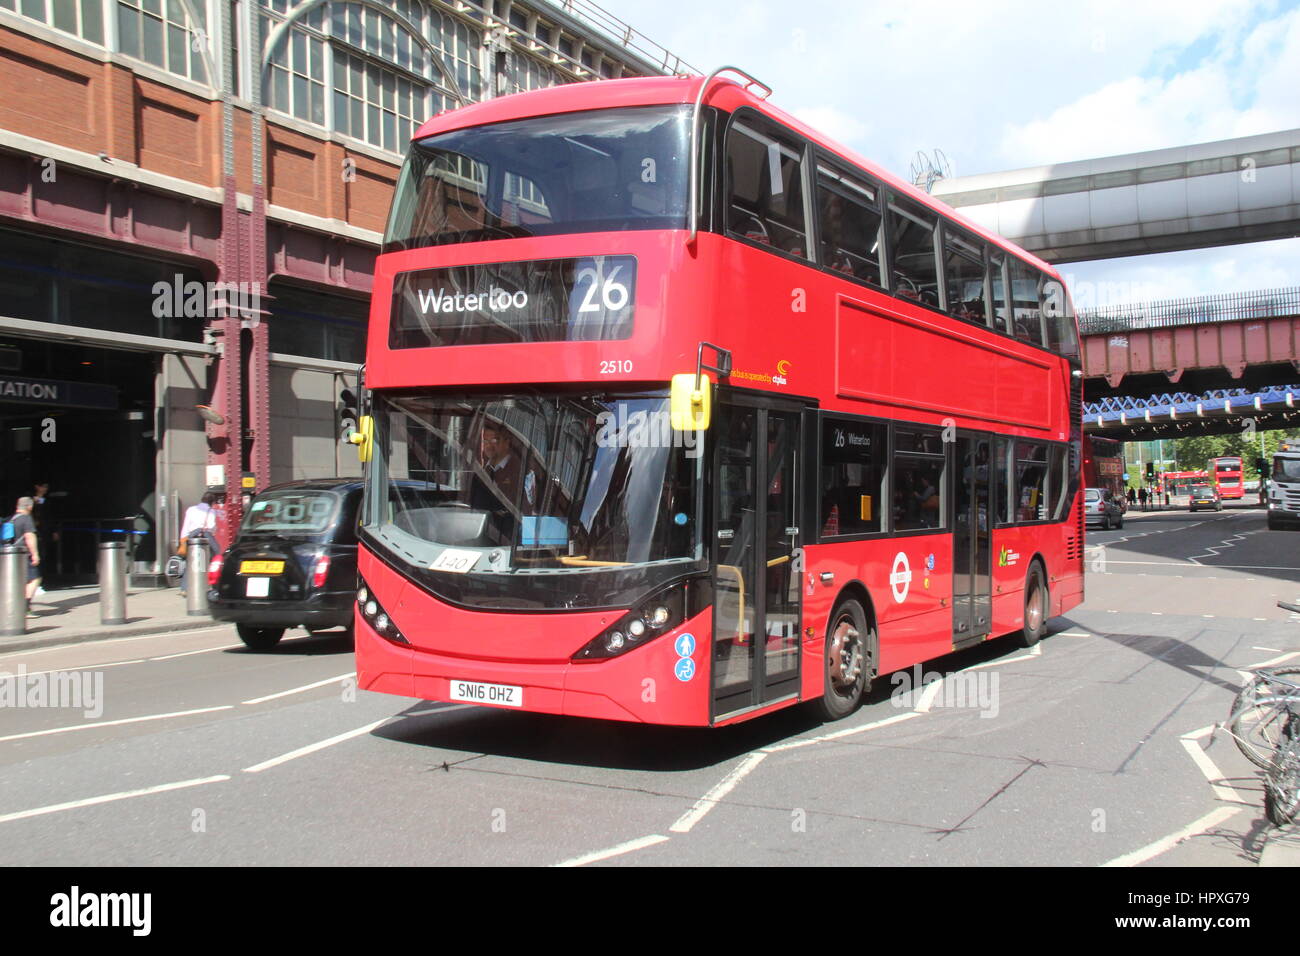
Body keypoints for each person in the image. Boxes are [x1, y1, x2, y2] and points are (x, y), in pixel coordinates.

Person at [178, 491, 220, 594]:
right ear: (212, 502)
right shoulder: (211, 511)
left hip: (192, 536)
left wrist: (183, 540)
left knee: (190, 561)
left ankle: (184, 588)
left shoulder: (191, 510)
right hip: (206, 535)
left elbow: (186, 526)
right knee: (216, 556)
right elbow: (212, 527)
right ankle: (215, 586)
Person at [9, 497, 41, 608]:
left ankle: (14, 605)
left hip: (11, 555)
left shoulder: (11, 519)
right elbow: (29, 536)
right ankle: (25, 606)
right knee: (34, 579)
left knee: (16, 580)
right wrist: (35, 554)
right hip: (24, 554)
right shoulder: (26, 519)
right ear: (30, 507)